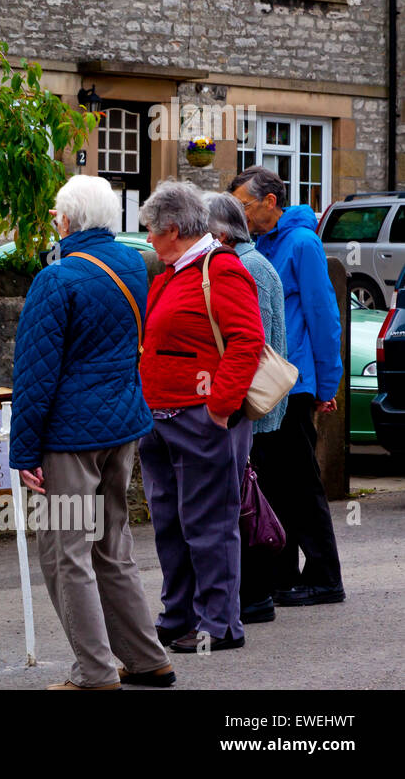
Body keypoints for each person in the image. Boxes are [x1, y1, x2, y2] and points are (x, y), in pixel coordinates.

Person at [9, 174, 172, 690]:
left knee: (65, 553)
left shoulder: (56, 279)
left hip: (70, 438)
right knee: (111, 545)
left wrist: (23, 451)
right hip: (123, 426)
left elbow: (35, 375)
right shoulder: (135, 264)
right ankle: (148, 659)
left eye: (57, 214)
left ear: (66, 219)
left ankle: (96, 672)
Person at [138, 180, 264, 653]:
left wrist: (218, 410)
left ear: (173, 229)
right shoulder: (176, 270)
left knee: (208, 526)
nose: (148, 240)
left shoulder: (222, 269)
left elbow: (247, 342)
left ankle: (220, 624)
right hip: (163, 419)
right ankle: (179, 616)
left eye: (152, 231)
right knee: (170, 523)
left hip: (200, 420)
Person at [227, 166, 345, 606]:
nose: (240, 212)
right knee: (275, 485)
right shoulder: (262, 245)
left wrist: (326, 385)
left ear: (270, 202)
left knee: (302, 485)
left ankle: (325, 577)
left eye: (244, 204)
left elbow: (323, 317)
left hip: (294, 385)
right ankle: (283, 575)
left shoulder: (302, 243)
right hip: (271, 385)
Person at [205, 192, 289, 623]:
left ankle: (254, 596)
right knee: (251, 497)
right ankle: (257, 593)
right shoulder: (256, 263)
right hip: (260, 403)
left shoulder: (244, 268)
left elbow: (248, 344)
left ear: (220, 233)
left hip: (251, 405)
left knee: (246, 502)